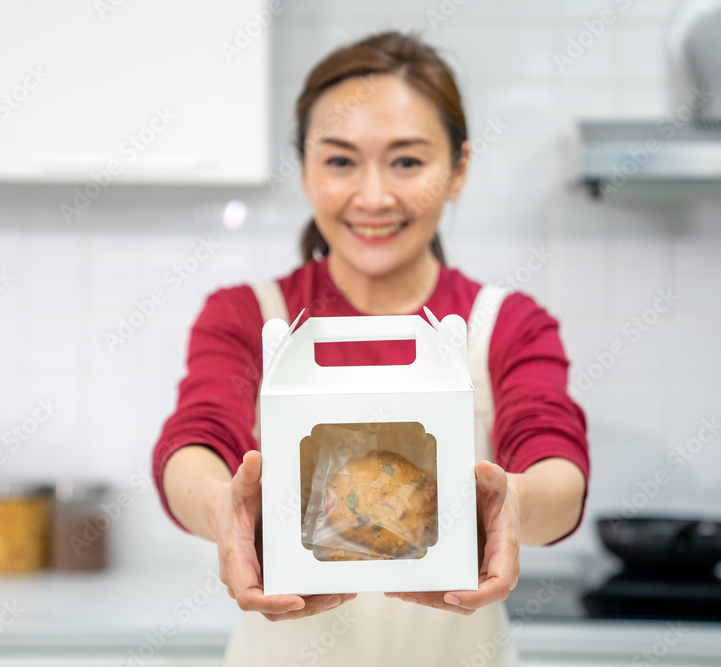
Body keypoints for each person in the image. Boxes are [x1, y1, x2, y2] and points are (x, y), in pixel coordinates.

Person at [152, 31, 589, 667]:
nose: (375, 196)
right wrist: (222, 507)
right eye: (340, 161)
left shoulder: (505, 324)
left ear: (458, 170)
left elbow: (557, 462)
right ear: (304, 168)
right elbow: (196, 440)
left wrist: (513, 505)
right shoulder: (250, 317)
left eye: (407, 162)